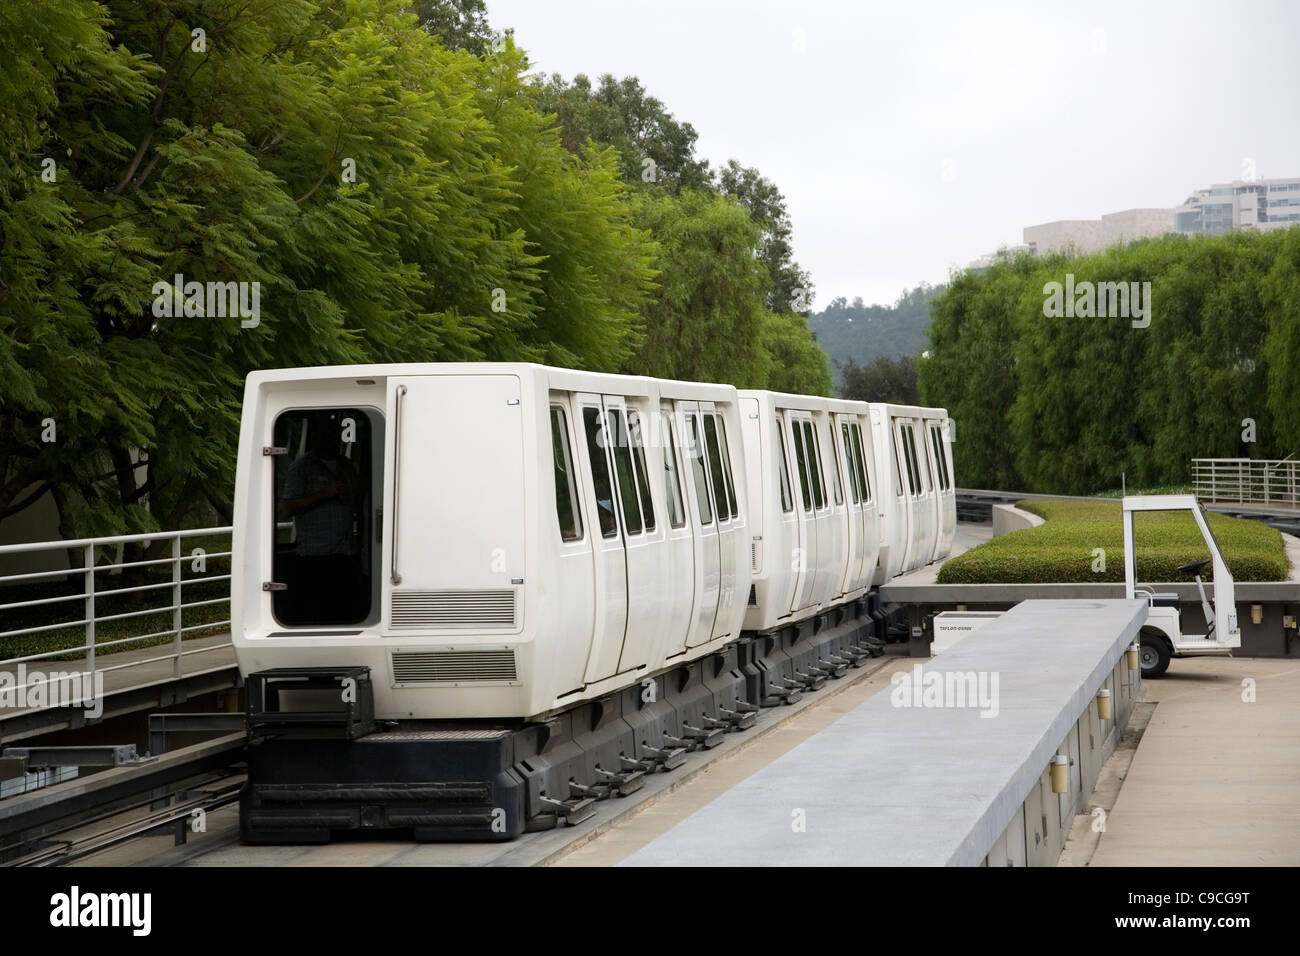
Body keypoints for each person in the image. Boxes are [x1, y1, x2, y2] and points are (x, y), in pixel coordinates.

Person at [280, 413, 362, 622]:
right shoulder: (301, 467)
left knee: (346, 610)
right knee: (318, 610)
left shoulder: (347, 465)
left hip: (346, 552)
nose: (332, 437)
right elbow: (287, 508)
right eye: (327, 431)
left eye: (335, 432)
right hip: (315, 556)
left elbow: (361, 499)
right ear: (316, 435)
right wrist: (323, 494)